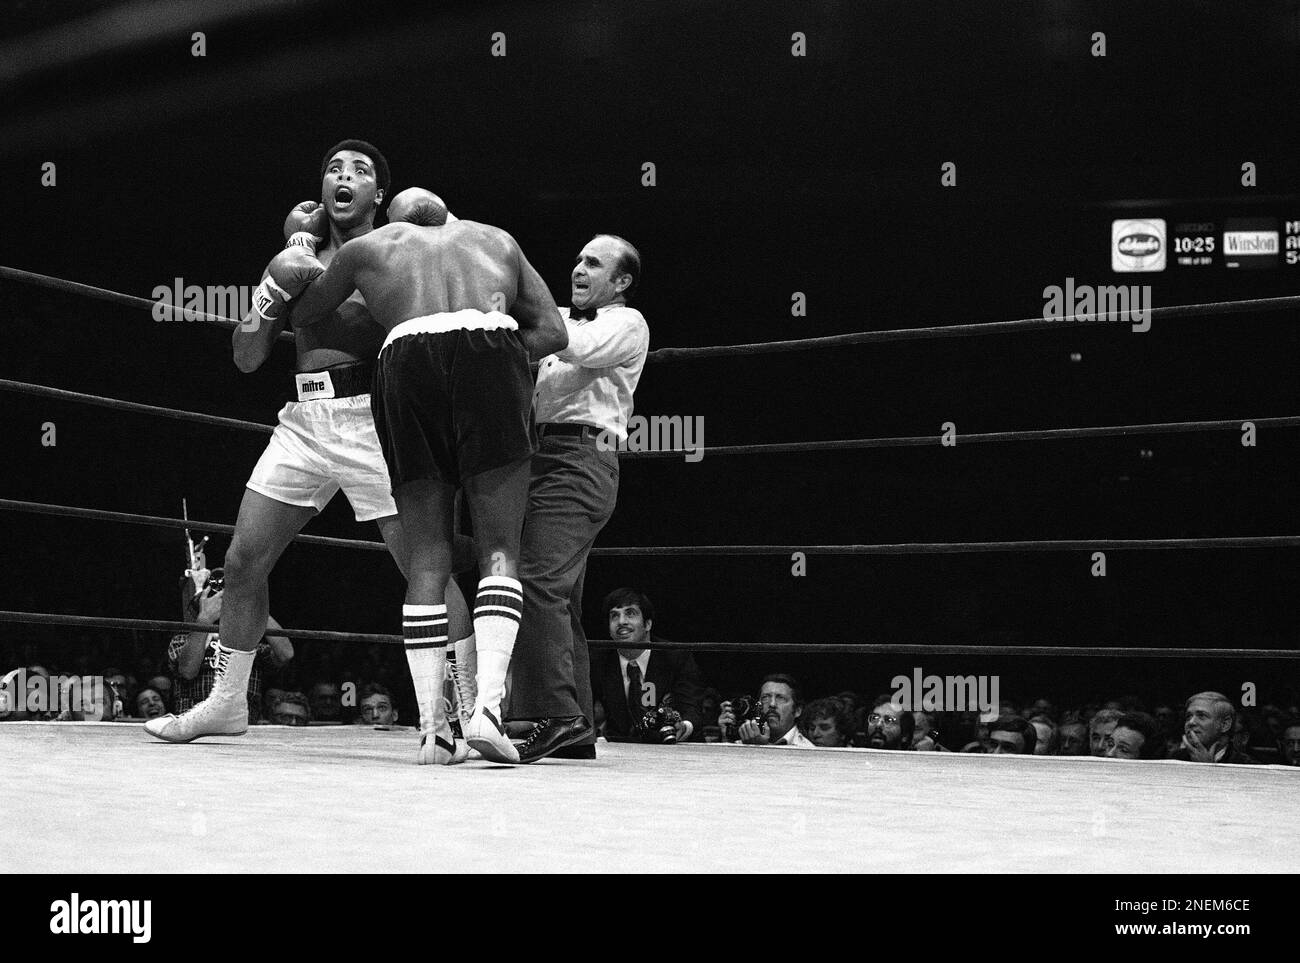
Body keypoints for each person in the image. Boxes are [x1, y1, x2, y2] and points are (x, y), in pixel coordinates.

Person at [145, 142, 473, 746]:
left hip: (373, 416)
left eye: (361, 170)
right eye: (333, 168)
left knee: (424, 566)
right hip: (303, 419)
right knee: (243, 561)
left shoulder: (395, 250)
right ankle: (226, 704)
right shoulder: (294, 257)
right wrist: (273, 287)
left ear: (380, 193)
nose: (344, 177)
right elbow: (246, 357)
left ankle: (467, 707)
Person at [282, 187, 568, 765]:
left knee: (428, 554)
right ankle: (488, 709)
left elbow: (304, 312)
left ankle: (434, 730)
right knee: (499, 546)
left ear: (394, 219)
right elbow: (555, 333)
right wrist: (503, 358)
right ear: (446, 215)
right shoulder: (496, 239)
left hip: (404, 357)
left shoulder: (370, 246)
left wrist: (301, 244)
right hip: (489, 343)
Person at [506, 235, 650, 762]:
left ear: (621, 282)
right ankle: (577, 725)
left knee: (536, 581)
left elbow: (577, 346)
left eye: (594, 262)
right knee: (560, 597)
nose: (579, 267)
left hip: (581, 460)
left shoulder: (626, 323)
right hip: (537, 459)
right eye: (577, 257)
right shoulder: (559, 319)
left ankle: (559, 715)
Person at [586, 588, 704, 744]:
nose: (621, 622)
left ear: (647, 624)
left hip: (672, 748)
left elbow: (691, 706)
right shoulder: (596, 660)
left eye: (630, 613)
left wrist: (684, 726)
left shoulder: (675, 655)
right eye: (614, 616)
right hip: (619, 750)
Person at [719, 674, 813, 747]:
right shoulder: (743, 743)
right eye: (765, 698)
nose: (772, 704)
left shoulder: (808, 750)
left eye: (780, 698)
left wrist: (758, 749)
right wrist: (727, 738)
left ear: (797, 711)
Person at [1171, 691, 1261, 764]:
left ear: (1225, 725)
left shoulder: (1248, 766)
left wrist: (1208, 771)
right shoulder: (1174, 759)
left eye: (1201, 716)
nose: (1190, 722)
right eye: (1188, 716)